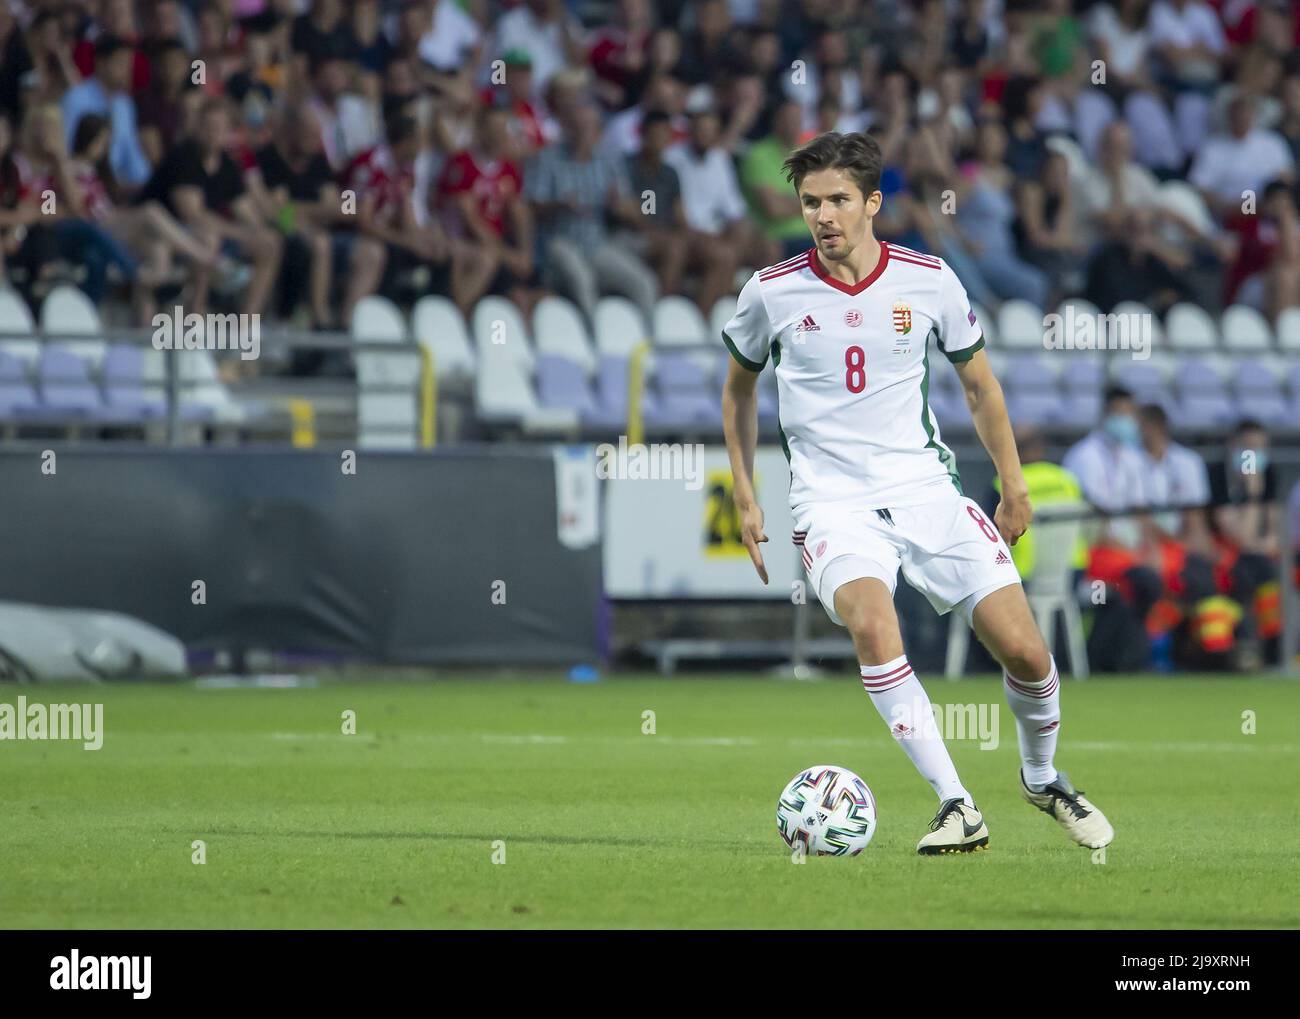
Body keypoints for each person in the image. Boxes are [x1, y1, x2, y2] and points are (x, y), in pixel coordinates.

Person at [720, 131, 1113, 856]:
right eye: (810, 203)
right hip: (831, 504)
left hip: (929, 490)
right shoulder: (770, 292)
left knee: (1026, 651)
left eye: (838, 199)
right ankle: (956, 802)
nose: (823, 215)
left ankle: (1041, 776)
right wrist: (747, 493)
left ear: (872, 202)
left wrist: (1014, 481)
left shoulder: (929, 278)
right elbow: (738, 390)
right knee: (873, 625)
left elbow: (979, 385)